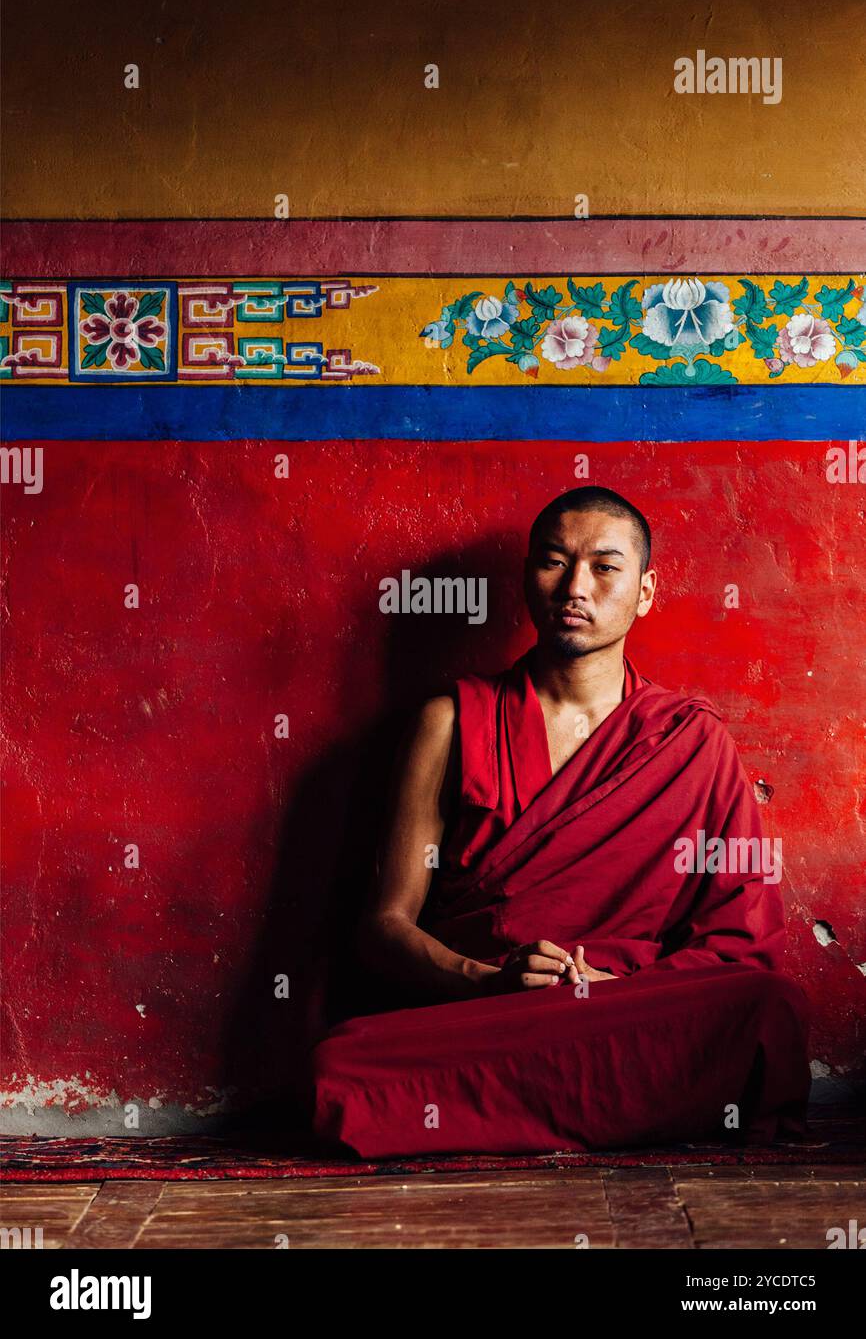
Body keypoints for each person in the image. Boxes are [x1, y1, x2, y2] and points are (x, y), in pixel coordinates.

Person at [310, 486, 811, 1158]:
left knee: (768, 1008)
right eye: (554, 562)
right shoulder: (452, 722)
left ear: (645, 592)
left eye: (604, 567)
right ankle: (616, 1104)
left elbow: (738, 943)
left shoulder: (690, 740)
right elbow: (383, 928)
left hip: (622, 1009)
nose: (576, 586)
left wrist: (614, 991)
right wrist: (490, 981)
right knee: (340, 1065)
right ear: (527, 578)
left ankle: (516, 1106)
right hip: (488, 1010)